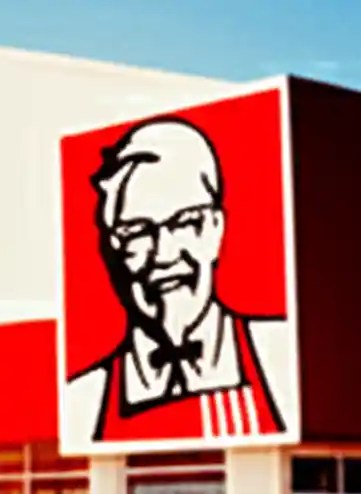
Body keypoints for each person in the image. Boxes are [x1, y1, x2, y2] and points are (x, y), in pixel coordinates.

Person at [68, 117, 285, 442]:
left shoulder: (280, 357)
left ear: (215, 229)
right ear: (115, 246)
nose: (165, 254)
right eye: (138, 231)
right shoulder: (85, 401)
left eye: (185, 223)